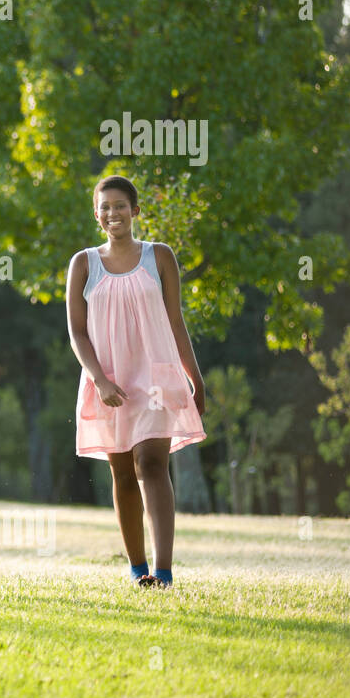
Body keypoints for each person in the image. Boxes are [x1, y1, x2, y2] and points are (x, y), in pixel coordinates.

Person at [66, 175, 207, 588]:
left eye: (121, 206)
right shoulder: (84, 263)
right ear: (97, 214)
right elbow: (77, 331)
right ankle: (136, 568)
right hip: (109, 379)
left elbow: (176, 322)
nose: (114, 213)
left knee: (151, 463)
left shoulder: (159, 256)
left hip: (156, 376)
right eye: (105, 207)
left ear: (135, 211)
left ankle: (163, 572)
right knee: (123, 472)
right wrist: (99, 380)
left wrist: (194, 378)